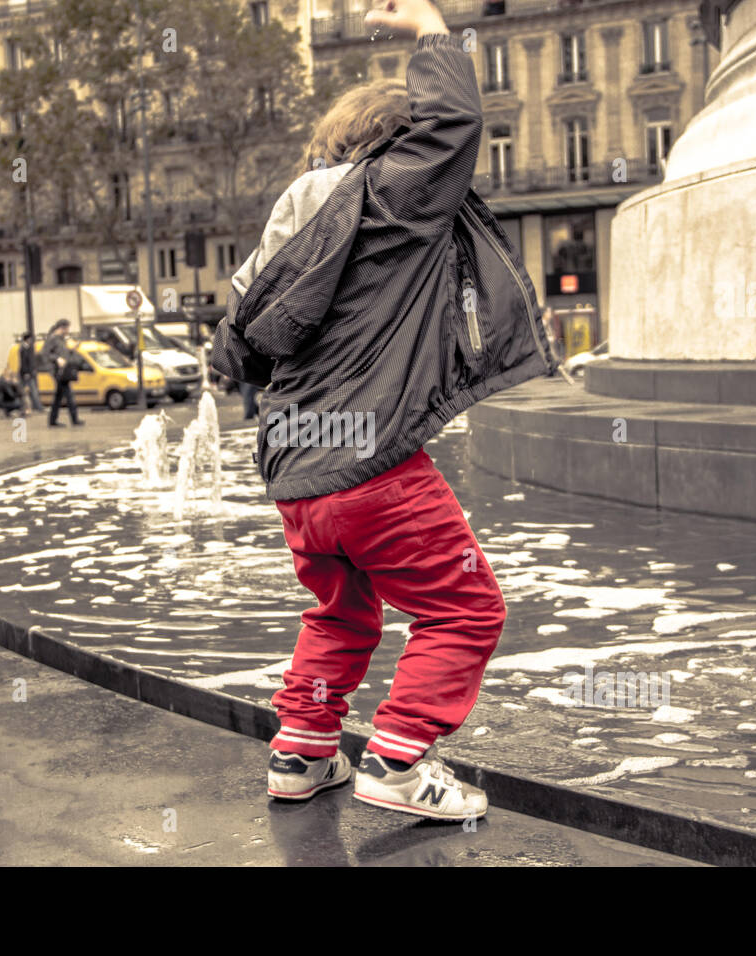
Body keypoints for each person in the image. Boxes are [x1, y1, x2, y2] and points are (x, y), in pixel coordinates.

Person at [211, 0, 554, 821]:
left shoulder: (288, 227)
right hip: (373, 465)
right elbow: (456, 121)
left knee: (342, 612)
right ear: (398, 150)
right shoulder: (389, 205)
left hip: (297, 466)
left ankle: (301, 752)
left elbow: (236, 351)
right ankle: (397, 760)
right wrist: (431, 29)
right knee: (466, 607)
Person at [43, 318, 84, 427]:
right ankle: (75, 419)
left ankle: (52, 420)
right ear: (62, 328)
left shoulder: (61, 340)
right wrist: (56, 359)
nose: (68, 331)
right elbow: (45, 353)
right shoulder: (52, 339)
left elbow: (64, 354)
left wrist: (72, 349)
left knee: (58, 397)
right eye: (68, 328)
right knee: (69, 395)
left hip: (63, 371)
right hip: (57, 371)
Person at [17, 331, 43, 411]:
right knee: (32, 390)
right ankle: (38, 407)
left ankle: (28, 407)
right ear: (28, 339)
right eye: (31, 339)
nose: (32, 340)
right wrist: (26, 373)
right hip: (26, 373)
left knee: (25, 391)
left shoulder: (27, 348)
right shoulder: (24, 349)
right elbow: (24, 362)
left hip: (27, 373)